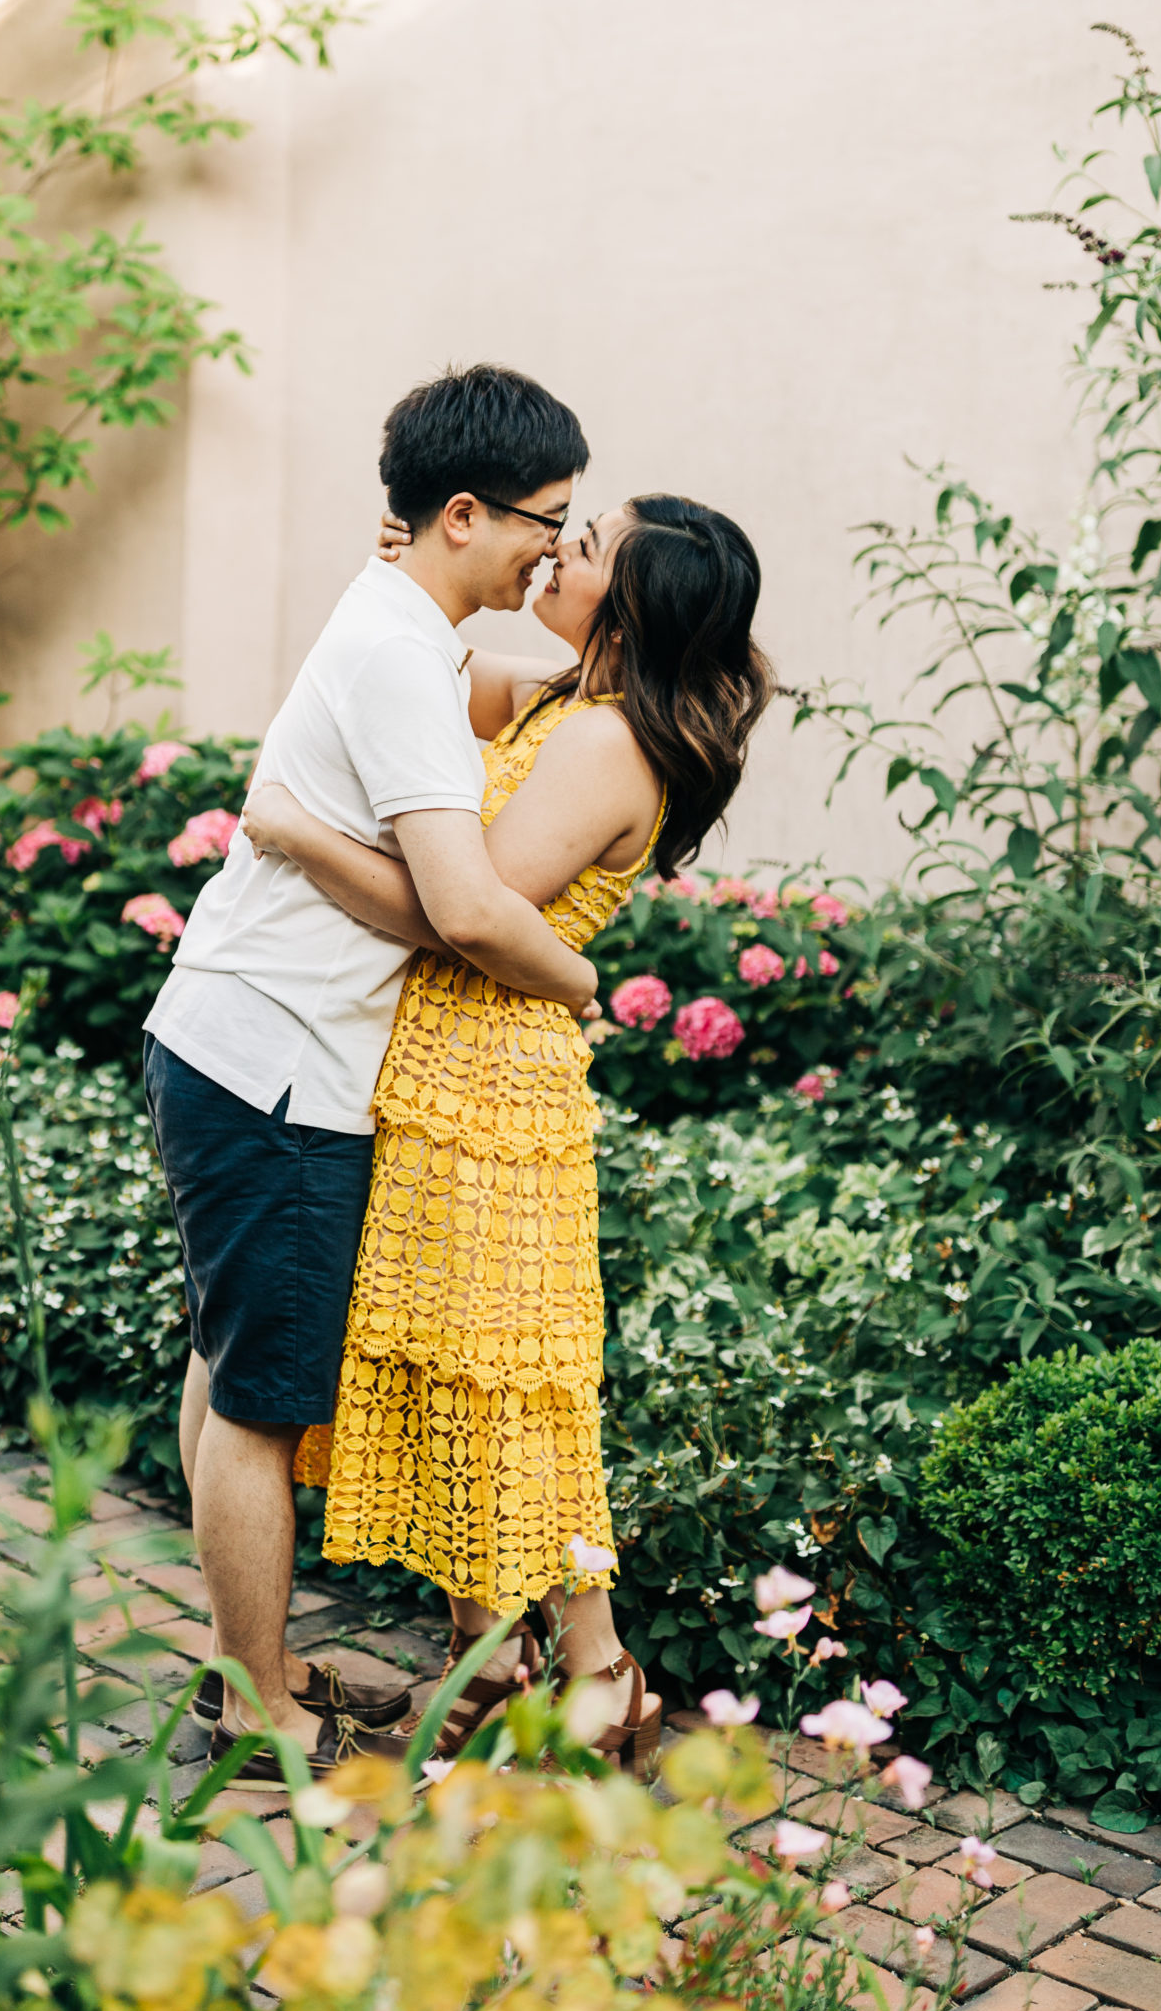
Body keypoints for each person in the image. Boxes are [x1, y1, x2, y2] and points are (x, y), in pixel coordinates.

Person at [241, 492, 772, 1770]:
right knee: (445, 1368)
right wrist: (414, 570)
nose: (557, 548)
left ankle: (602, 1675)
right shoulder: (568, 701)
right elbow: (436, 672)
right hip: (441, 1073)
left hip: (494, 1090)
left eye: (585, 549)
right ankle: (496, 1658)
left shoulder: (603, 746)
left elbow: (456, 910)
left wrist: (302, 837)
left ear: (630, 604)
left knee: (508, 1387)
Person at [142, 363, 599, 1785]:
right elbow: (460, 915)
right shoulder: (401, 657)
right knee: (263, 1401)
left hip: (241, 1043)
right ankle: (257, 1712)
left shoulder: (399, 614)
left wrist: (586, 670)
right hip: (277, 1068)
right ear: (457, 514)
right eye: (544, 521)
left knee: (232, 1369)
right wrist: (577, 979)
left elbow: (483, 688)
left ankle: (255, 1668)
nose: (551, 547)